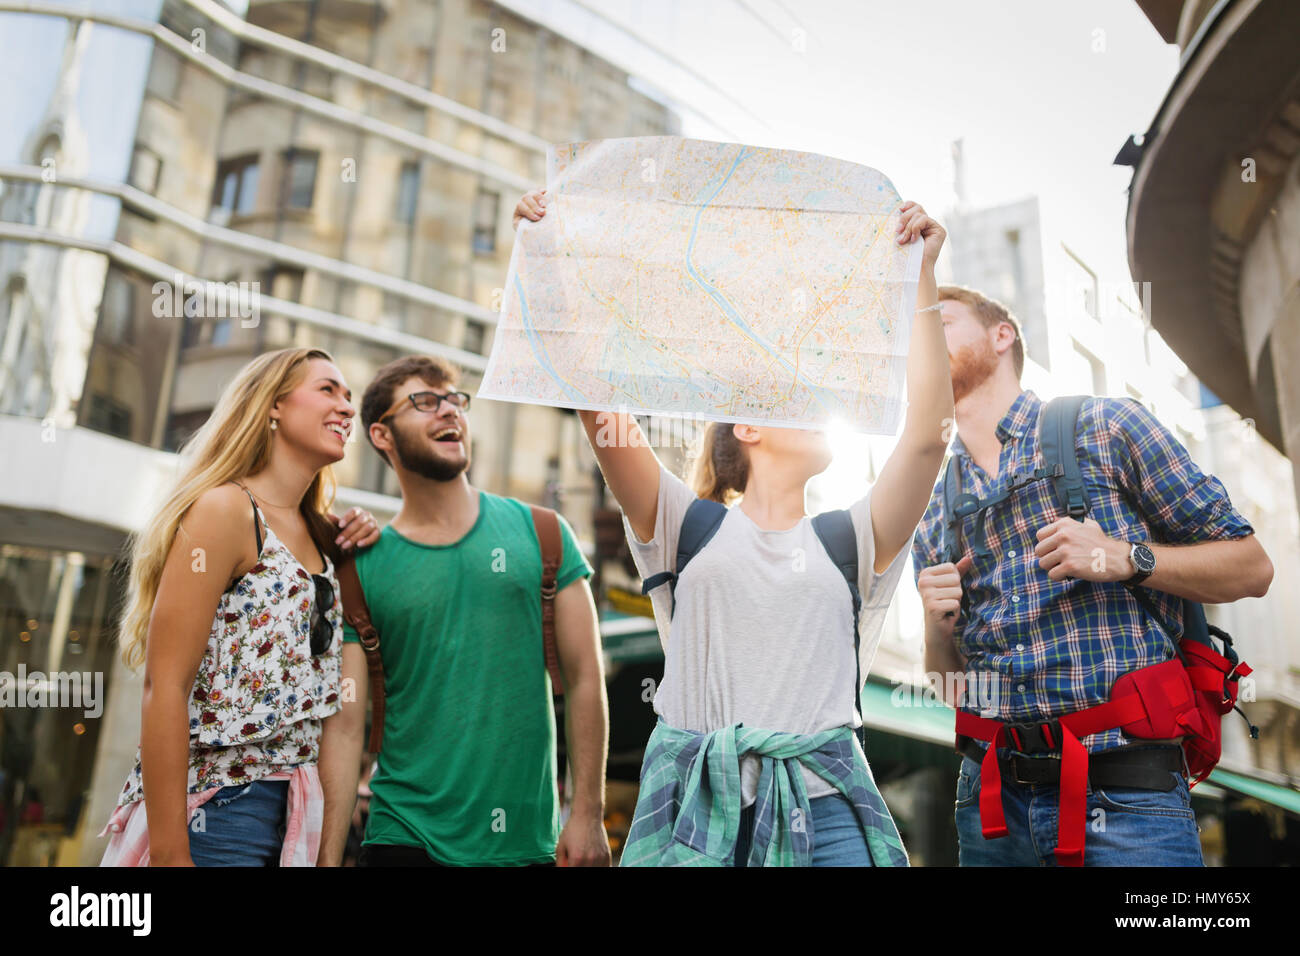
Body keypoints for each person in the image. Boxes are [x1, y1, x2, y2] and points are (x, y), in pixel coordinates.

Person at [514, 189, 955, 865]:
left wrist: (922, 274)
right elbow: (595, 401)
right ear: (746, 429)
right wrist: (548, 262)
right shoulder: (683, 527)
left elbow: (929, 438)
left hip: (828, 804)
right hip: (695, 801)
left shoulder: (850, 539)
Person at [912, 286, 1274, 866]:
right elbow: (953, 689)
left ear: (1001, 335)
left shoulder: (1105, 426)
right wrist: (936, 629)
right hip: (992, 810)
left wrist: (1123, 556)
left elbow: (1252, 567)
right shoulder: (930, 509)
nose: (921, 337)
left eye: (941, 321)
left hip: (1128, 798)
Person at [318, 355, 611, 867]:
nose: (448, 411)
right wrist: (324, 858)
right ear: (382, 435)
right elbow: (345, 727)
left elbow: (587, 678)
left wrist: (587, 812)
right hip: (401, 839)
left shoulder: (543, 535)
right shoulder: (360, 568)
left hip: (522, 846)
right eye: (425, 402)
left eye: (455, 400)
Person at [99, 347, 381, 866]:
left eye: (350, 398)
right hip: (216, 813)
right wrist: (169, 854)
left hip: (296, 814)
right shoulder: (226, 510)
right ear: (273, 405)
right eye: (328, 390)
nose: (347, 408)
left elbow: (340, 712)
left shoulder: (325, 541)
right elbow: (166, 686)